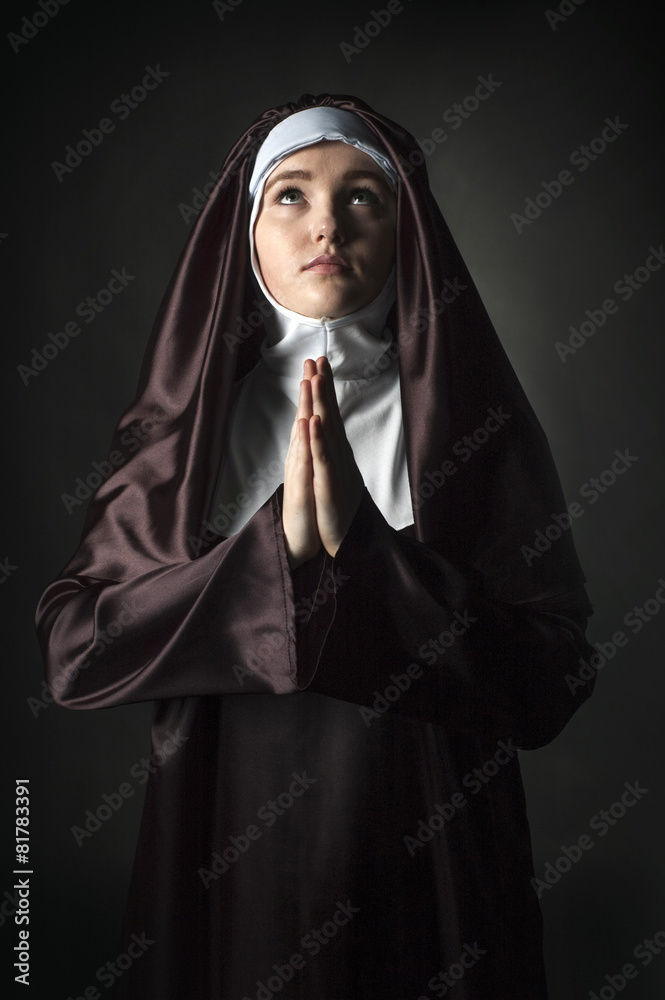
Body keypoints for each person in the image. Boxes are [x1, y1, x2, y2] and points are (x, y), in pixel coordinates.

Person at [36, 94, 596, 999]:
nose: (327, 222)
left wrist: (364, 553)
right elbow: (74, 650)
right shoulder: (186, 432)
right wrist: (269, 557)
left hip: (436, 862)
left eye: (364, 196)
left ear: (406, 227)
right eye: (290, 195)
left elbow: (552, 680)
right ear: (244, 232)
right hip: (224, 845)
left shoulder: (472, 424)